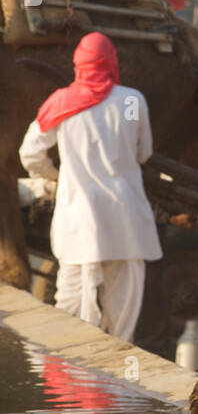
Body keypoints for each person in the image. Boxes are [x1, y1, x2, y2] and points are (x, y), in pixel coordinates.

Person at [18, 32, 161, 343]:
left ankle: (74, 385)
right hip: (127, 224)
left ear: (77, 65)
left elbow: (29, 154)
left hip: (79, 226)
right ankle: (119, 384)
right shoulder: (133, 100)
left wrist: (55, 176)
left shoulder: (60, 102)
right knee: (123, 327)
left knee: (71, 320)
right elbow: (144, 153)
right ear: (112, 63)